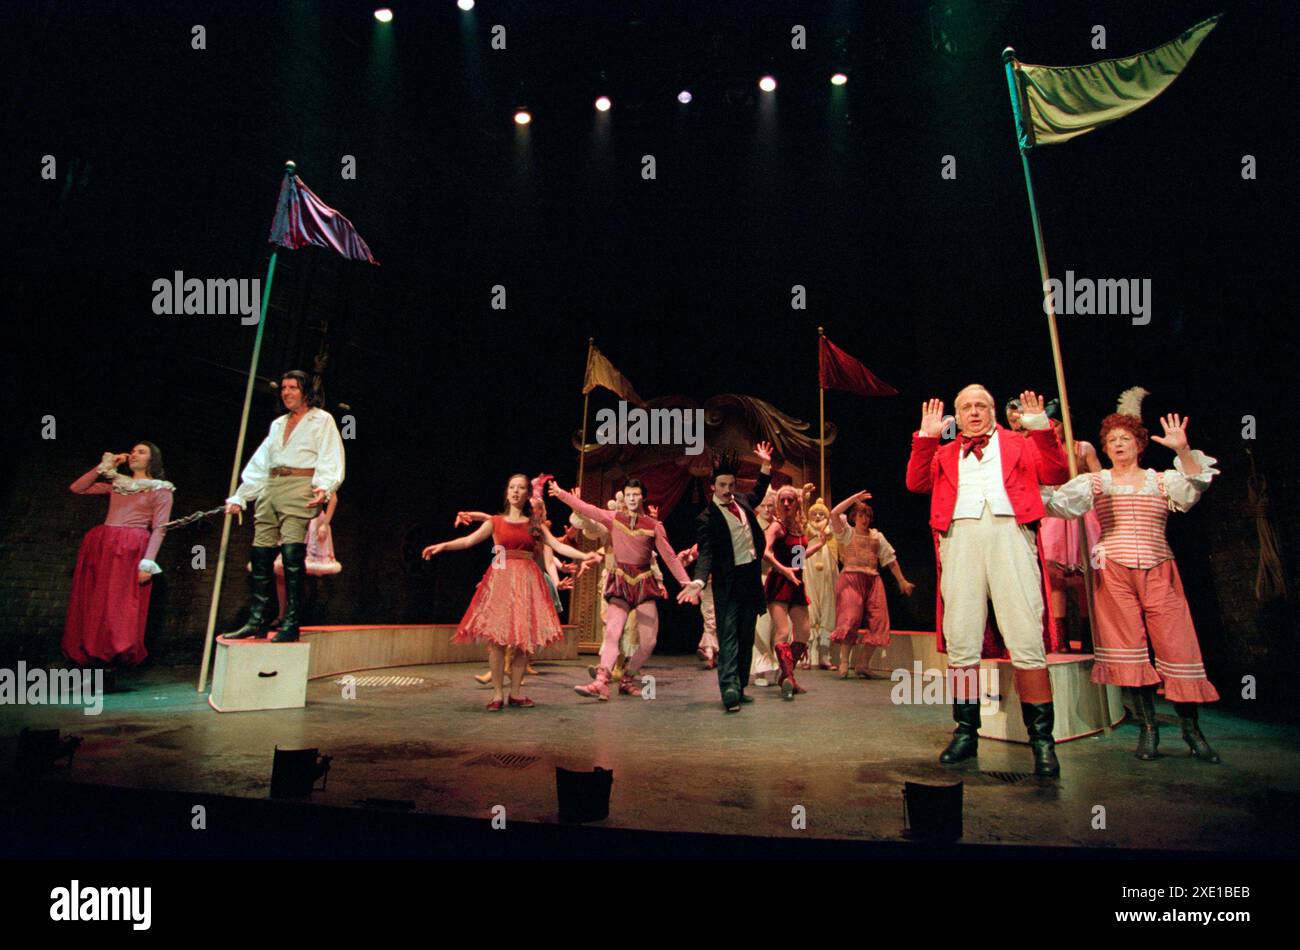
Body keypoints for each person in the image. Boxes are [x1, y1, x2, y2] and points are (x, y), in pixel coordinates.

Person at [1042, 398, 1221, 762]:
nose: (1118, 445)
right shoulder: (1096, 482)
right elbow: (1058, 504)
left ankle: (1192, 730)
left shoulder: (1162, 480)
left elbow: (1193, 490)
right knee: (1130, 651)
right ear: (1104, 449)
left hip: (1159, 566)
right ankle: (1149, 729)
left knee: (1178, 645)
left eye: (1125, 438)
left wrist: (1183, 449)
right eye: (1111, 441)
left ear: (1140, 444)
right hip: (1114, 569)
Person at [905, 387, 1070, 776]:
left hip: (1010, 533)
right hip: (959, 538)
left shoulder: (1020, 442)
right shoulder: (945, 451)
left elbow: (1057, 473)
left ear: (994, 411)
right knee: (962, 637)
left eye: (981, 406)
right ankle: (965, 732)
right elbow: (916, 483)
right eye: (966, 407)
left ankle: (1042, 742)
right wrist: (926, 437)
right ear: (957, 417)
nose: (974, 412)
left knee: (1025, 634)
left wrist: (1043, 429)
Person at [423, 474, 598, 710]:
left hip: (527, 584)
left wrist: (584, 555)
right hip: (501, 582)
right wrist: (443, 545)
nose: (516, 491)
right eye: (512, 487)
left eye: (521, 488)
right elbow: (468, 541)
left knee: (522, 642)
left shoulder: (535, 523)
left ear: (527, 494)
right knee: (497, 642)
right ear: (507, 492)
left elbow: (557, 546)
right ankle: (497, 694)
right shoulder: (495, 522)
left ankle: (516, 693)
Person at [223, 371, 344, 643]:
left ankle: (291, 622)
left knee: (291, 555)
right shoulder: (278, 424)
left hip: (300, 485)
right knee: (261, 553)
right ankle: (258, 620)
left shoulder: (321, 420)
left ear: (306, 392)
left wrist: (324, 487)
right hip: (271, 485)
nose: (286, 392)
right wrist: (241, 496)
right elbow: (261, 460)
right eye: (284, 388)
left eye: (293, 387)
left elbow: (330, 455)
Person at [549, 478, 696, 701]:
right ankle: (601, 681)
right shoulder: (614, 518)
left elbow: (670, 558)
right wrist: (561, 494)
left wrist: (688, 584)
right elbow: (587, 509)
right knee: (612, 632)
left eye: (636, 495)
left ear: (643, 497)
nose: (632, 499)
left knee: (649, 642)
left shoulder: (653, 526)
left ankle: (627, 678)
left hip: (644, 582)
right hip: (620, 581)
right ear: (624, 497)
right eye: (628, 495)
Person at [681, 443, 774, 712]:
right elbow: (707, 552)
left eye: (731, 484)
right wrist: (698, 581)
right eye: (722, 485)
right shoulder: (707, 518)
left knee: (746, 635)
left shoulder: (742, 502)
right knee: (729, 634)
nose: (727, 490)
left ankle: (741, 685)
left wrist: (765, 465)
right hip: (728, 581)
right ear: (713, 486)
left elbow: (758, 491)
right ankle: (729, 688)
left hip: (750, 578)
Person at [64, 445, 174, 668]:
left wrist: (148, 562)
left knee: (119, 603)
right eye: (132, 451)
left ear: (153, 459)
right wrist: (106, 465)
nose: (134, 454)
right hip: (104, 544)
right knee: (96, 600)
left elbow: (160, 528)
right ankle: (90, 655)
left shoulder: (160, 490)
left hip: (131, 548)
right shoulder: (118, 483)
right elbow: (78, 488)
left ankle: (112, 657)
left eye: (141, 451)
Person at [828, 492, 916, 678]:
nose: (864, 519)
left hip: (872, 580)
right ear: (854, 517)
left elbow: (890, 559)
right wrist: (853, 499)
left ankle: (862, 664)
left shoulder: (877, 536)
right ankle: (844, 661)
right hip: (851, 579)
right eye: (861, 515)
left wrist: (902, 580)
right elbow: (834, 514)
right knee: (850, 618)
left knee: (879, 622)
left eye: (867, 516)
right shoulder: (846, 533)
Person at [1038, 412, 1102, 651]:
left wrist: (1082, 484)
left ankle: (1088, 635)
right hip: (1055, 514)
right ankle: (1060, 637)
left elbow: (1099, 478)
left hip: (1079, 514)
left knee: (1083, 578)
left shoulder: (1081, 447)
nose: (1053, 429)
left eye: (1055, 424)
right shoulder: (1040, 450)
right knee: (1056, 578)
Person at [764, 485, 829, 699]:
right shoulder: (777, 526)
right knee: (783, 632)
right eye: (782, 500)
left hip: (797, 584)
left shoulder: (799, 528)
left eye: (790, 500)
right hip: (780, 582)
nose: (786, 504)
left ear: (796, 503)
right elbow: (765, 552)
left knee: (804, 632)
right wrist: (784, 570)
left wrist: (818, 545)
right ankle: (790, 678)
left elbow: (798, 559)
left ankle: (786, 675)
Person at [270, 492, 342, 628]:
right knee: (282, 570)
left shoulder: (321, 474)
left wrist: (325, 524)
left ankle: (295, 615)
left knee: (303, 571)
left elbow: (333, 498)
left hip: (314, 521)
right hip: (294, 517)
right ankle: (281, 615)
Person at [803, 497, 839, 670]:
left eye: (820, 514)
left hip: (826, 578)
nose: (817, 517)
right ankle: (806, 654)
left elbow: (835, 561)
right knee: (809, 610)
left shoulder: (831, 535)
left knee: (827, 610)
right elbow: (797, 558)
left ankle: (825, 654)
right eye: (814, 514)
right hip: (808, 575)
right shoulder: (804, 531)